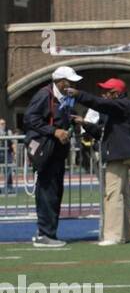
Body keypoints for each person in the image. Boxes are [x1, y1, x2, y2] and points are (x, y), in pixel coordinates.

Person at [70, 78, 130, 245]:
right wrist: (84, 123)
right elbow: (103, 133)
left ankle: (113, 235)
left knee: (112, 193)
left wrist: (78, 95)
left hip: (119, 155)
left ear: (116, 93)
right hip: (125, 154)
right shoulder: (125, 108)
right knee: (124, 195)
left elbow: (99, 104)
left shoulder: (123, 105)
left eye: (107, 91)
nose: (103, 94)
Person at [23, 65, 82, 248]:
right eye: (70, 81)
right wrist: (54, 131)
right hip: (46, 152)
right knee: (47, 193)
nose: (72, 84)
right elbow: (29, 118)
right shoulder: (44, 95)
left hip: (57, 153)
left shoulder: (64, 97)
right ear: (61, 81)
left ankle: (47, 233)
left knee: (54, 193)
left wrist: (72, 121)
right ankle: (45, 234)